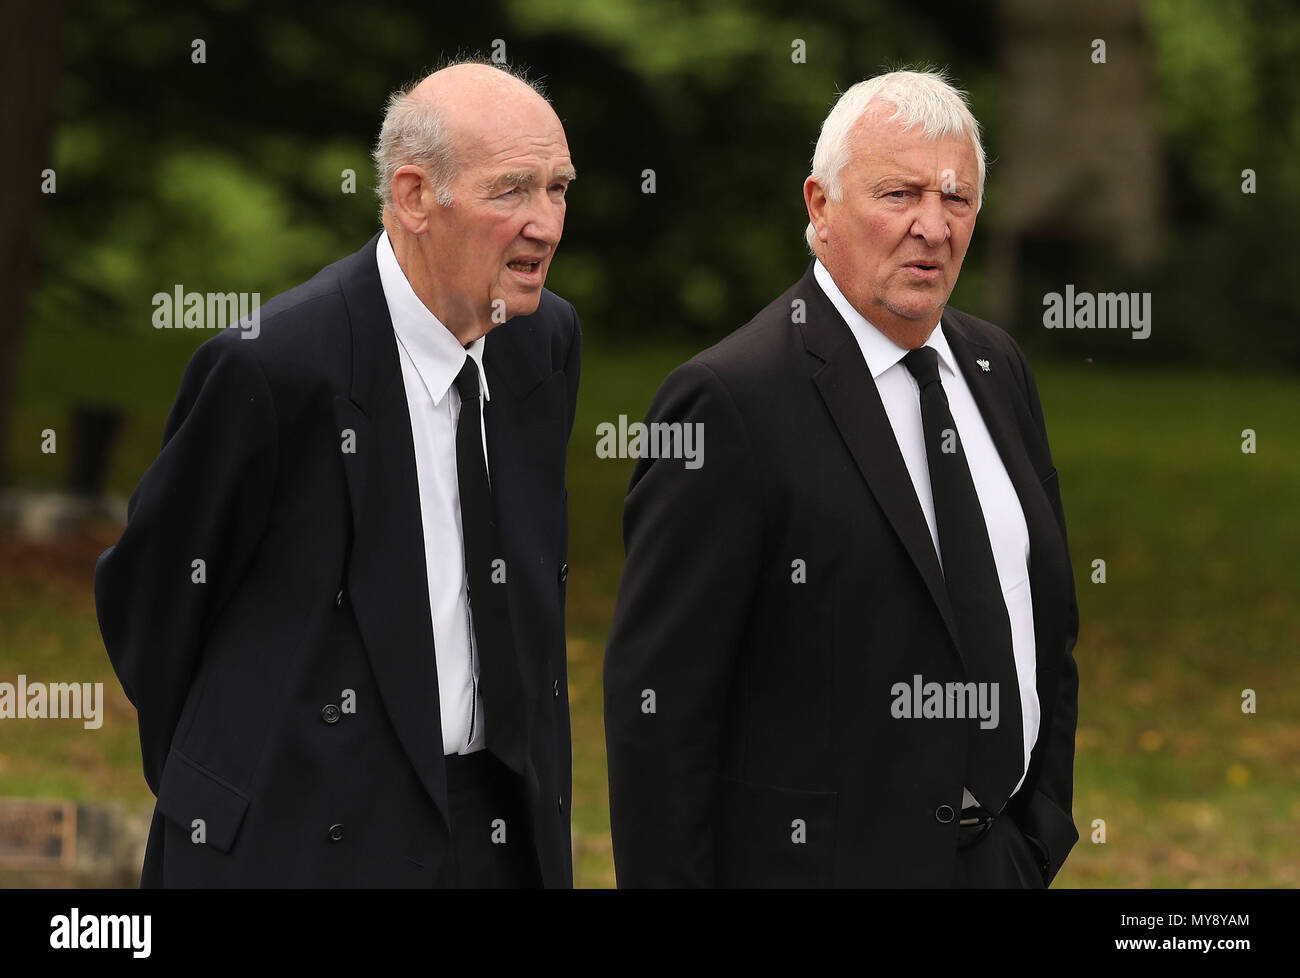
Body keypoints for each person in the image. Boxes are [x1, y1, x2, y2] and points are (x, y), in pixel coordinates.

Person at [95, 60, 581, 887]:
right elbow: (154, 601)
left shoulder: (545, 342)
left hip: (494, 830)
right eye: (512, 191)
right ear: (415, 197)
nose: (546, 223)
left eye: (559, 189)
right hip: (296, 837)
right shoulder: (274, 368)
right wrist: (238, 777)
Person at [604, 69, 1079, 888]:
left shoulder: (997, 368)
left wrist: (1038, 833)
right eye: (898, 194)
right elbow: (661, 714)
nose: (932, 226)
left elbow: (1046, 621)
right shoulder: (731, 399)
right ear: (819, 207)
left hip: (1001, 859)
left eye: (957, 199)